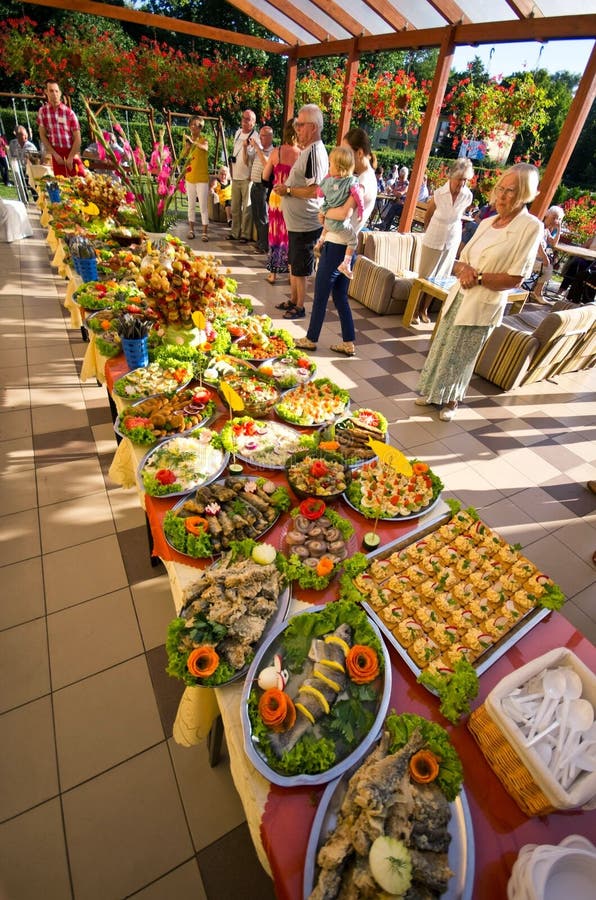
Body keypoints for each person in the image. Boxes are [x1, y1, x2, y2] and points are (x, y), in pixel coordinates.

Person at [414, 164, 543, 421]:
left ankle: (452, 400)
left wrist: (479, 277)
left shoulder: (530, 226)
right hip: (460, 295)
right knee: (444, 346)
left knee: (462, 355)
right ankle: (432, 392)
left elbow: (517, 276)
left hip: (483, 301)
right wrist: (464, 269)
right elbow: (461, 260)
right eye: (501, 189)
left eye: (511, 191)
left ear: (525, 193)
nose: (503, 196)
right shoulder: (486, 222)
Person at [294, 127, 377, 356]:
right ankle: (349, 341)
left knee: (321, 293)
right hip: (344, 245)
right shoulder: (363, 178)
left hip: (339, 244)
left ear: (359, 153)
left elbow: (343, 215)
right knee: (340, 296)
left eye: (347, 151)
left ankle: (311, 338)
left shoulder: (359, 183)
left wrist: (325, 213)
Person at [271, 104, 328, 319]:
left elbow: (316, 190)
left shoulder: (314, 152)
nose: (297, 129)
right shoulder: (309, 150)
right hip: (298, 222)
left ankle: (300, 306)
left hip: (306, 223)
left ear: (313, 127)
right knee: (294, 263)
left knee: (301, 267)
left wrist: (289, 190)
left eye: (301, 125)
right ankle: (293, 299)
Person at [412, 158, 474, 324]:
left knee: (440, 276)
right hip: (434, 236)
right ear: (451, 177)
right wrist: (427, 232)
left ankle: (424, 309)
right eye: (460, 179)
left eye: (465, 180)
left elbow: (460, 216)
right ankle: (413, 309)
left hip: (452, 239)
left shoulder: (468, 196)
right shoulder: (439, 193)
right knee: (425, 275)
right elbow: (428, 215)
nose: (462, 183)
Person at [314, 145, 364, 280]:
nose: (329, 167)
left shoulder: (328, 181)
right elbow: (357, 198)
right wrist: (361, 210)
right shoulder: (351, 182)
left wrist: (323, 211)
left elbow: (318, 192)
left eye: (330, 165)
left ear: (339, 167)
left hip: (328, 224)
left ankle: (320, 241)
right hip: (339, 226)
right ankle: (346, 264)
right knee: (353, 241)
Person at [261, 119, 300, 284]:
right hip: (293, 198)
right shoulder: (301, 154)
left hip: (276, 198)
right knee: (290, 234)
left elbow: (264, 177)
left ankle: (273, 274)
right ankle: (292, 272)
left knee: (275, 234)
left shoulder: (276, 152)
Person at [37, 80, 82, 177]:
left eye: (56, 91)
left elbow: (78, 138)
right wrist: (54, 154)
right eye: (51, 91)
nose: (54, 94)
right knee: (61, 185)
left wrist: (71, 157)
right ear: (46, 92)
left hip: (71, 152)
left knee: (79, 183)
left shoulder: (69, 113)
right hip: (56, 153)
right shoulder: (43, 112)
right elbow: (42, 135)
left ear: (60, 93)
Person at [228, 109, 256, 243]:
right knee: (234, 207)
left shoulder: (254, 136)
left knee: (246, 208)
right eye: (243, 118)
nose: (244, 121)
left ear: (253, 122)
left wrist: (245, 147)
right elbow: (235, 153)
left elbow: (249, 160)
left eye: (248, 119)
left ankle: (245, 234)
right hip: (236, 175)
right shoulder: (238, 132)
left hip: (247, 177)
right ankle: (235, 232)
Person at [530, 205, 564, 304]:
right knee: (548, 267)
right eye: (553, 218)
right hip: (531, 258)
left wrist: (559, 229)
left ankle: (537, 291)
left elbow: (554, 243)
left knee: (549, 266)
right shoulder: (540, 227)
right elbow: (538, 245)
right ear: (547, 215)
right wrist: (545, 258)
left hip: (537, 259)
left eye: (557, 219)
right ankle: (537, 292)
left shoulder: (546, 230)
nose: (555, 220)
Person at [183, 116, 210, 242]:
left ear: (200, 127)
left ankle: (204, 232)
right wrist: (187, 146)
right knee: (191, 205)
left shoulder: (204, 140)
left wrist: (193, 142)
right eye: (192, 124)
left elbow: (205, 148)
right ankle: (191, 230)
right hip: (190, 177)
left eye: (197, 125)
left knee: (203, 206)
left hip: (202, 178)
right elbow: (184, 155)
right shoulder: (188, 142)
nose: (194, 127)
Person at [249, 126, 274, 254]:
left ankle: (264, 245)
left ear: (270, 137)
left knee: (263, 216)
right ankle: (260, 242)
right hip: (254, 185)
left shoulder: (272, 152)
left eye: (263, 136)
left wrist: (257, 148)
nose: (260, 138)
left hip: (263, 187)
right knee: (256, 216)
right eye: (260, 135)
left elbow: (266, 165)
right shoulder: (259, 150)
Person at [557, 234, 596, 303]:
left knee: (583, 268)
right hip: (585, 258)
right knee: (575, 263)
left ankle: (572, 293)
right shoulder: (594, 238)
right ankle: (562, 289)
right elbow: (583, 246)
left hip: (594, 262)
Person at [8, 126, 39, 200]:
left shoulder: (31, 146)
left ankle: (39, 205)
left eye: (25, 135)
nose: (25, 137)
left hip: (30, 171)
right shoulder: (13, 144)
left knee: (34, 190)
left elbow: (36, 161)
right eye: (20, 135)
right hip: (19, 170)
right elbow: (11, 155)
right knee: (21, 189)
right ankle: (24, 203)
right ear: (17, 136)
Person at [379, 165, 409, 230]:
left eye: (402, 177)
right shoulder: (397, 182)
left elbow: (400, 194)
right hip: (393, 201)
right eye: (400, 176)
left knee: (393, 207)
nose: (400, 178)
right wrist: (390, 189)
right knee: (386, 205)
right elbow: (388, 188)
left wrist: (393, 191)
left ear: (405, 176)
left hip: (401, 205)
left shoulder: (406, 183)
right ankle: (384, 224)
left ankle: (385, 226)